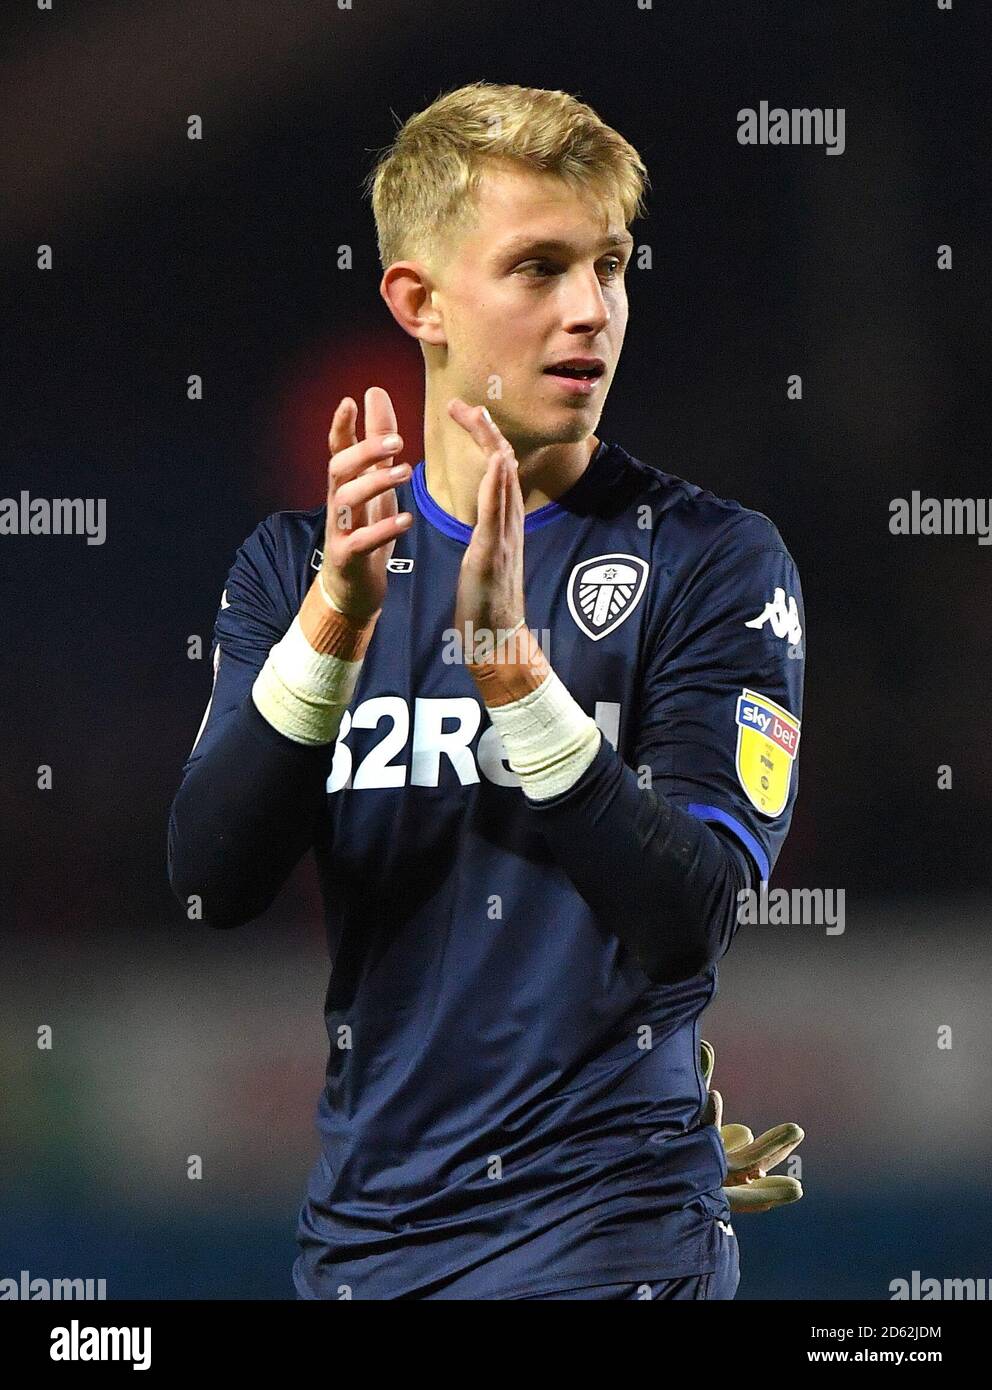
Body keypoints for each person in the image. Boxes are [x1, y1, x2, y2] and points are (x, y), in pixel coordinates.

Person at [168, 81, 805, 1301]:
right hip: (361, 1253)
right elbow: (210, 883)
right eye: (537, 267)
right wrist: (332, 629)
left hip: (612, 1248)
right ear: (418, 301)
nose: (591, 312)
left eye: (609, 266)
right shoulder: (297, 570)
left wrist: (517, 683)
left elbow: (692, 914)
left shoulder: (711, 559)